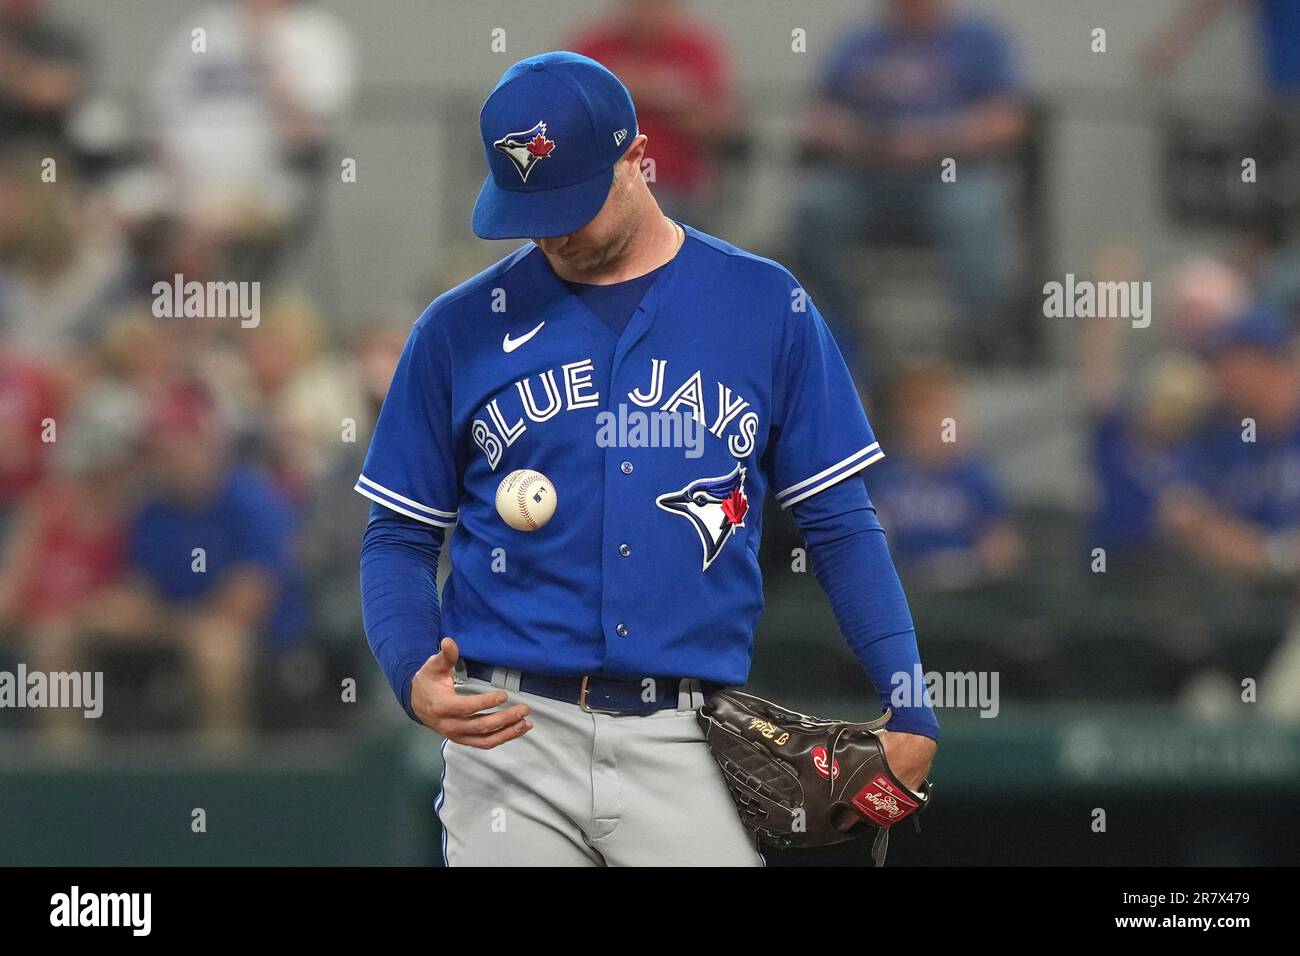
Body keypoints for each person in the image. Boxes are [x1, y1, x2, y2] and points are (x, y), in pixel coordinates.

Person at [358, 52, 938, 867]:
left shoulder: (767, 306)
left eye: (572, 203)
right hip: (508, 733)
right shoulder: (458, 328)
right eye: (530, 210)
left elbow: (839, 523)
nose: (553, 230)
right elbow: (398, 536)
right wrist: (410, 667)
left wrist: (911, 701)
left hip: (687, 735)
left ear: (637, 159)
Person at [792, 0, 1027, 373]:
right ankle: (841, 330)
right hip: (868, 175)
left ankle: (978, 335)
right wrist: (865, 138)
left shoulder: (978, 41)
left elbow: (1009, 119)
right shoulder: (859, 43)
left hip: (948, 173)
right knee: (817, 207)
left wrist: (933, 140)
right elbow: (817, 119)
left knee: (973, 210)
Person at [571, 0, 737, 226]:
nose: (645, 11)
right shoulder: (594, 48)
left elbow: (719, 125)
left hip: (674, 184)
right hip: (598, 180)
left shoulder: (695, 50)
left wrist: (664, 97)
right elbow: (569, 119)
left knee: (652, 213)